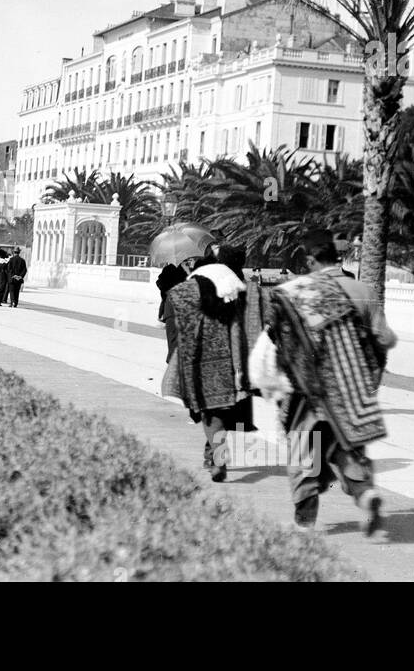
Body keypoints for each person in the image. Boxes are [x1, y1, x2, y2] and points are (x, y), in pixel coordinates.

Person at [264, 229, 396, 534]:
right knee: (348, 449)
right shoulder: (361, 289)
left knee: (304, 452)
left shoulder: (296, 290)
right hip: (352, 388)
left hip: (306, 392)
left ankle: (305, 522)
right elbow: (385, 338)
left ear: (311, 259)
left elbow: (276, 337)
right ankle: (366, 494)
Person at [161, 245, 260, 482]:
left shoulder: (183, 292)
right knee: (223, 413)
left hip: (196, 363)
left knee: (208, 414)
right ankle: (216, 455)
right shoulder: (238, 292)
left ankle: (218, 456)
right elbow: (248, 325)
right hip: (229, 363)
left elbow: (172, 308)